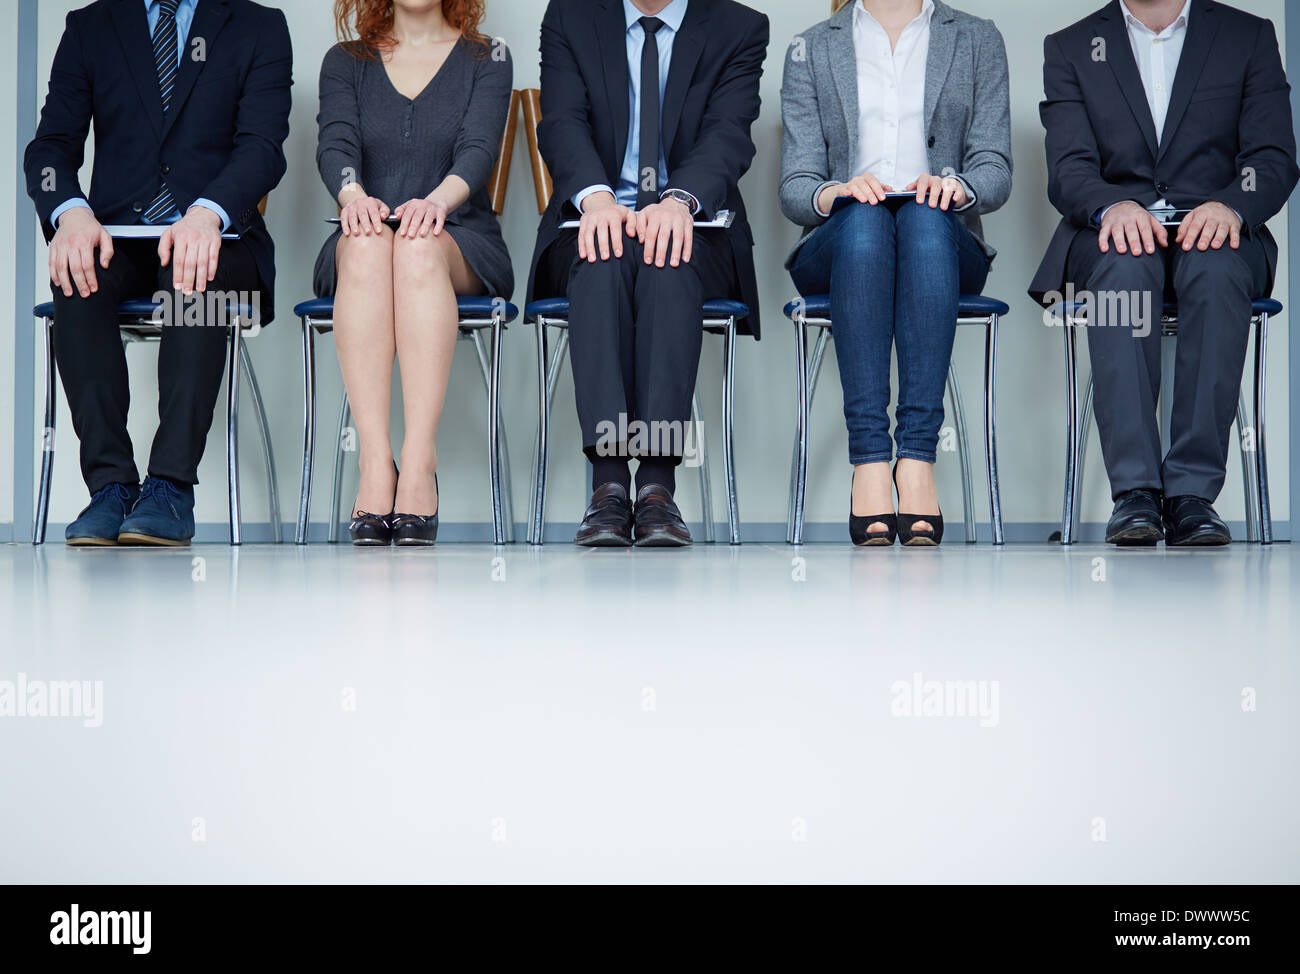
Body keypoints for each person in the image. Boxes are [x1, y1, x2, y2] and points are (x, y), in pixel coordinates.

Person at [23, 0, 292, 546]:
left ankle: (169, 487)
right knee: (77, 276)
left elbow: (262, 149)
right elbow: (51, 147)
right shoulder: (90, 26)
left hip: (220, 237)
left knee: (193, 281)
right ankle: (111, 488)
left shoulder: (260, 25)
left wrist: (206, 212)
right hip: (116, 234)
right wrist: (70, 213)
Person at [1030, 0, 1298, 546]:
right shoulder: (1071, 45)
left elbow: (1271, 156)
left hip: (1218, 228)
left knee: (1217, 269)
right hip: (1110, 235)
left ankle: (1192, 496)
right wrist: (1111, 206)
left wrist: (1231, 206)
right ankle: (1135, 495)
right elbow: (1068, 169)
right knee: (1125, 269)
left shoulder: (1246, 36)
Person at [527, 0, 768, 547]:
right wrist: (597, 199)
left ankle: (657, 488)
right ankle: (610, 486)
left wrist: (678, 201)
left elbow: (728, 134)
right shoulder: (571, 17)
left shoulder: (739, 26)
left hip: (694, 227)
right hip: (594, 220)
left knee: (666, 257)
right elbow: (562, 122)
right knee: (604, 258)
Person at [780, 0, 1011, 546]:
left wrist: (957, 186)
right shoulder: (812, 46)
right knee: (864, 221)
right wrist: (834, 191)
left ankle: (916, 458)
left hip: (943, 245)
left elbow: (995, 167)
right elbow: (795, 184)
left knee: (925, 220)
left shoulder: (978, 38)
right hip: (839, 248)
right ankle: (869, 460)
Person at [315, 0, 514, 546]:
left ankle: (419, 459)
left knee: (418, 246)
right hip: (368, 236)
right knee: (371, 243)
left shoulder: (487, 57)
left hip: (458, 238)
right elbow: (336, 144)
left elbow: (477, 150)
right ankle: (376, 462)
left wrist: (437, 204)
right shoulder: (346, 61)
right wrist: (353, 196)